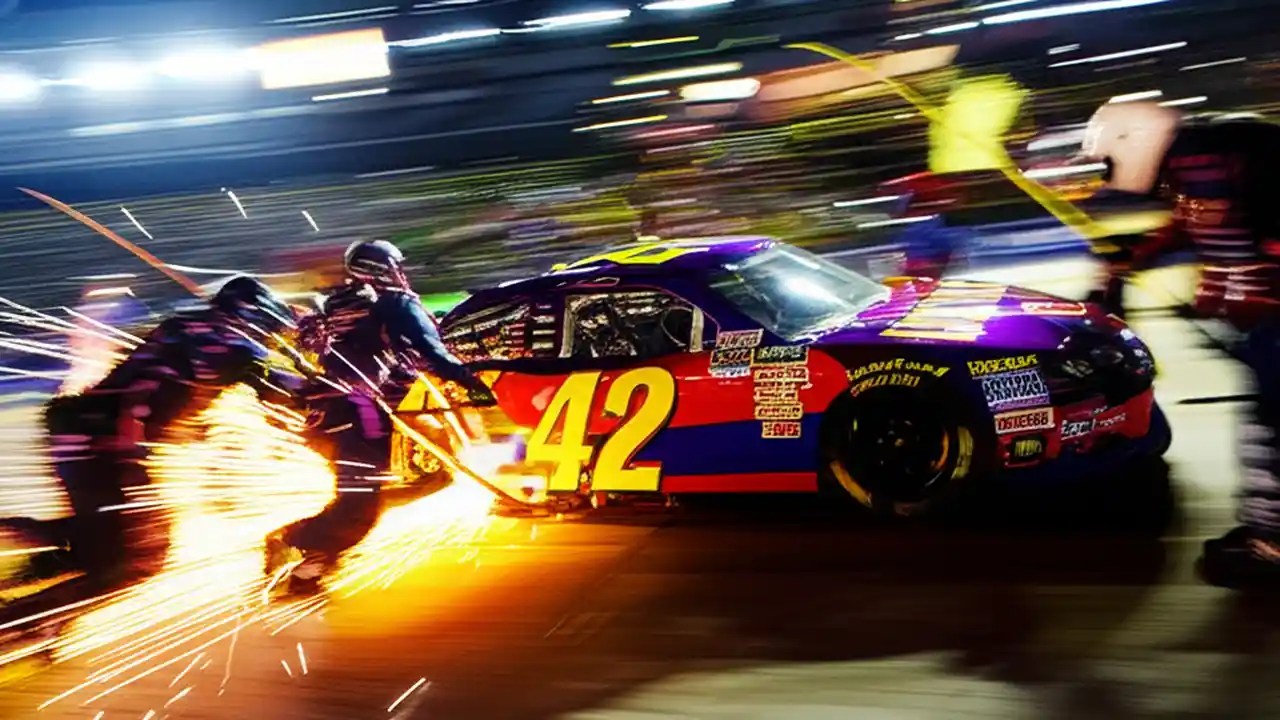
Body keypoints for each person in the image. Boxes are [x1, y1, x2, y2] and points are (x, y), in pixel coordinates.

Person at [1082, 102, 1280, 588]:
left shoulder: (1204, 163)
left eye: (1110, 160)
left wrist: (1250, 297)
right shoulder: (1200, 159)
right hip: (1262, 325)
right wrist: (1129, 262)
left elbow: (1216, 229)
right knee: (1266, 425)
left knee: (1269, 431)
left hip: (1272, 324)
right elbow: (1189, 227)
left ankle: (1272, 546)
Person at [4, 276, 302, 592]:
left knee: (105, 543)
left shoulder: (187, 329)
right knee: (139, 555)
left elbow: (168, 392)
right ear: (252, 319)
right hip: (103, 441)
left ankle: (26, 602)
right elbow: (146, 400)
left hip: (84, 429)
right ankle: (23, 626)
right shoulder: (229, 347)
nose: (271, 338)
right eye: (269, 329)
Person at [265, 239, 494, 591]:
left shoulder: (338, 305)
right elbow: (432, 352)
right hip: (359, 413)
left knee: (376, 494)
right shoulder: (395, 303)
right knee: (364, 501)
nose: (401, 273)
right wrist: (472, 383)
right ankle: (295, 540)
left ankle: (312, 564)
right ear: (384, 268)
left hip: (329, 414)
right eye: (396, 266)